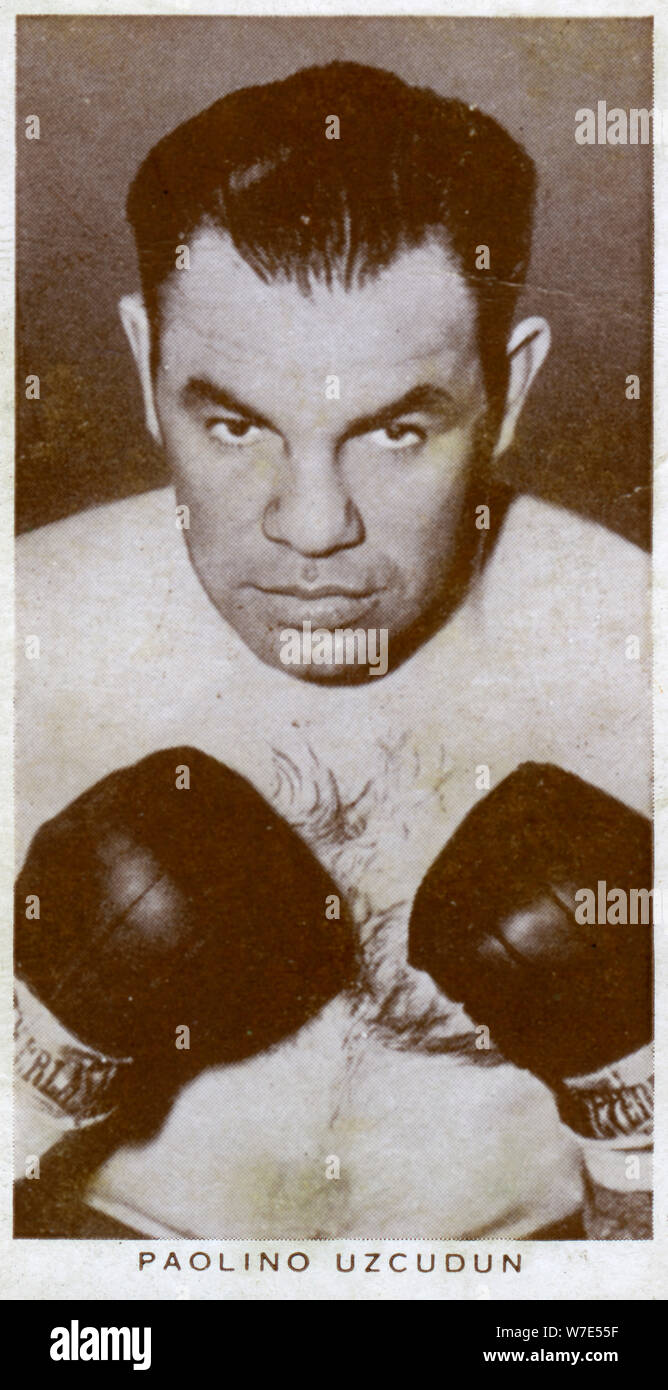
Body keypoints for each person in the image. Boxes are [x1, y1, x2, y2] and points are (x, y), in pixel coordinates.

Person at [15, 62, 651, 1239]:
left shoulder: (639, 663)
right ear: (145, 365)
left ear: (506, 395)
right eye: (234, 422)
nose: (311, 528)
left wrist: (639, 1129)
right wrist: (24, 1083)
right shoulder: (21, 648)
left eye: (396, 432)